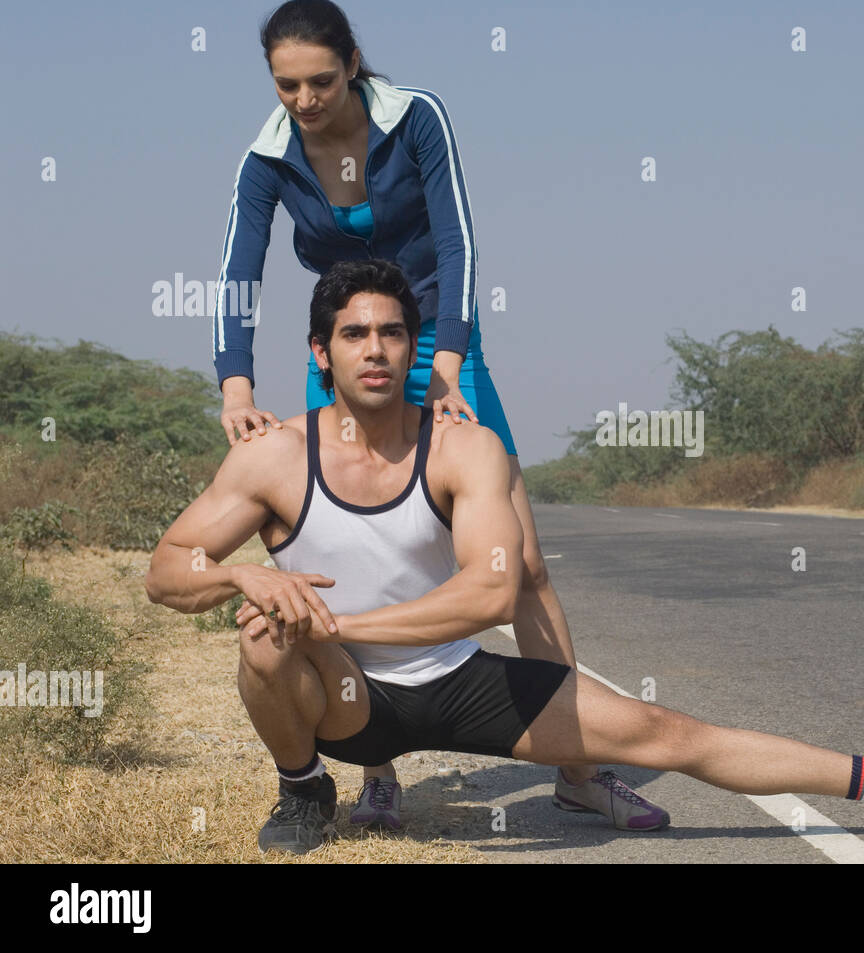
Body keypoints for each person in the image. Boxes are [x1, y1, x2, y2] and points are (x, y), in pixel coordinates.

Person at [159, 260, 864, 855]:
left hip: (457, 682)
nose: (375, 349)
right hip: (344, 698)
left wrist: (341, 617)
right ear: (322, 353)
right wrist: (241, 571)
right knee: (263, 631)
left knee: (668, 733)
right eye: (354, 334)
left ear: (411, 349)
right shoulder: (273, 457)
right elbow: (167, 568)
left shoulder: (465, 450)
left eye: (391, 333)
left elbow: (494, 592)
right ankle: (304, 789)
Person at [208, 0, 663, 829]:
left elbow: (458, 237)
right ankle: (376, 768)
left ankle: (578, 766)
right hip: (348, 352)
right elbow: (239, 270)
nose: (304, 100)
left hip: (437, 336)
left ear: (350, 62)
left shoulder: (415, 116)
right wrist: (234, 383)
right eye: (285, 86)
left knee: (519, 563)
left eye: (318, 80)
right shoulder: (267, 157)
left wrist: (448, 353)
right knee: (341, 563)